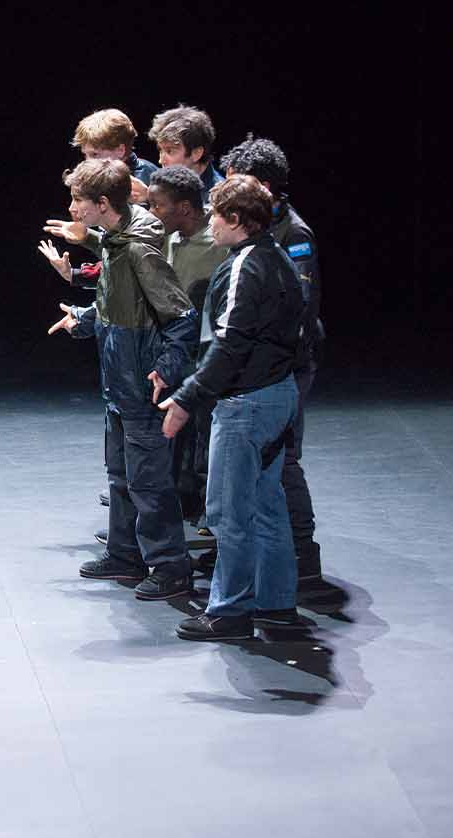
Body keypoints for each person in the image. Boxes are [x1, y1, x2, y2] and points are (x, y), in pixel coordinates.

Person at [160, 175, 305, 641]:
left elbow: (230, 342)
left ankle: (229, 612)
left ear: (236, 219)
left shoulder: (247, 265)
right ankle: (277, 605)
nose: (210, 223)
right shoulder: (277, 258)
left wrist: (186, 398)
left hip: (247, 403)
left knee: (228, 512)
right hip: (277, 394)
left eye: (216, 214)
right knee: (267, 504)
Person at [47, 158, 197, 600]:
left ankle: (171, 567)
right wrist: (82, 318)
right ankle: (126, 554)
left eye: (79, 200)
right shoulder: (116, 242)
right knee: (120, 474)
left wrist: (165, 369)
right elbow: (117, 307)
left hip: (139, 383)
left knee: (149, 479)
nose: (73, 208)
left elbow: (182, 317)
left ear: (103, 203)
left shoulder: (137, 250)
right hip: (119, 381)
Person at [221, 135, 325, 582]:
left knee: (283, 458)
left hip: (286, 363)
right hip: (259, 364)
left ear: (263, 186)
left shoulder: (294, 235)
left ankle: (303, 559)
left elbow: (298, 307)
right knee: (259, 463)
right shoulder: (253, 227)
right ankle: (264, 557)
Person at [145, 164, 225, 525]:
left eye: (157, 206)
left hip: (209, 357)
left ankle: (216, 521)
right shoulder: (172, 238)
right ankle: (185, 504)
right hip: (178, 352)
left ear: (186, 209)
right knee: (179, 437)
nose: (152, 214)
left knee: (208, 441)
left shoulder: (217, 245)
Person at [147, 104, 223, 206]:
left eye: (170, 151)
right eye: (160, 150)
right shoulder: (165, 184)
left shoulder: (219, 198)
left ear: (196, 153)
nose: (161, 161)